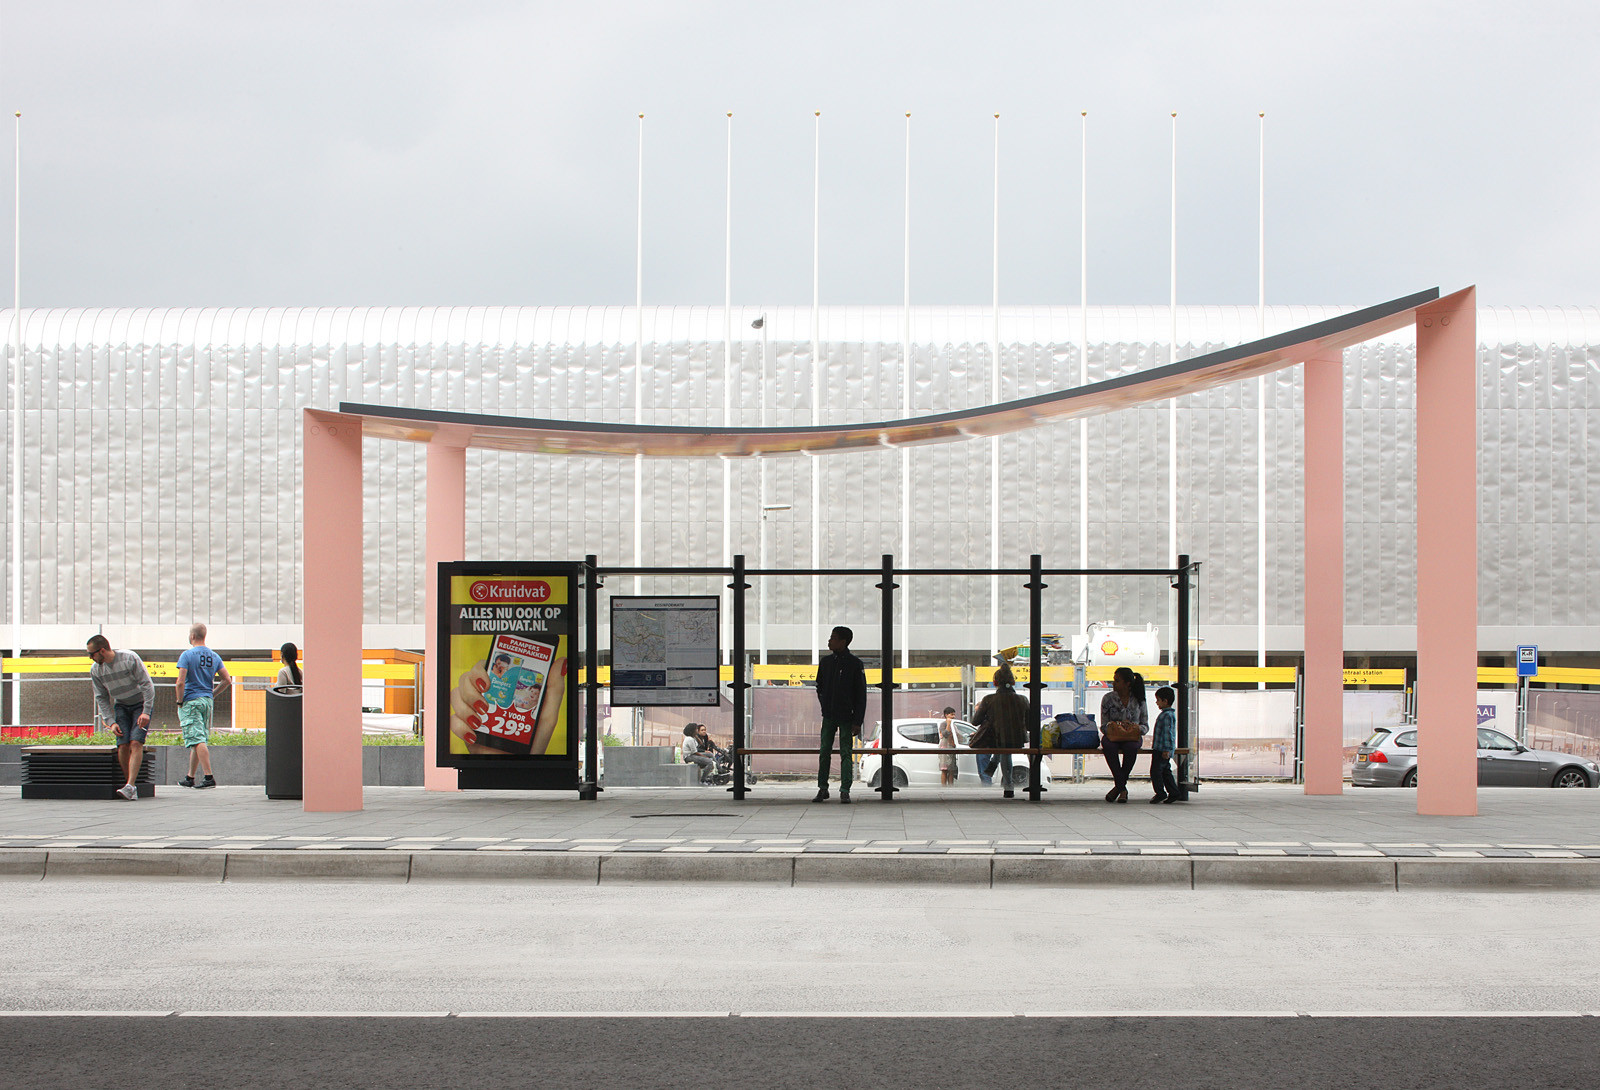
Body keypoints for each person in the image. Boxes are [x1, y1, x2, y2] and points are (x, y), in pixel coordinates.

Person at [86, 635, 156, 801]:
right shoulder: (96, 670)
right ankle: (130, 786)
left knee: (136, 742)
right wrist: (110, 722)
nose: (90, 658)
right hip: (121, 706)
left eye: (91, 654)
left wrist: (146, 711)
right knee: (122, 745)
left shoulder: (129, 658)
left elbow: (147, 685)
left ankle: (130, 785)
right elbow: (101, 697)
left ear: (102, 650)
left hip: (140, 704)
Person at [175, 623, 232, 789]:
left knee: (197, 739)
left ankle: (209, 777)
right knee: (198, 739)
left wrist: (180, 701)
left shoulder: (186, 655)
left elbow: (180, 682)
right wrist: (211, 694)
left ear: (192, 636)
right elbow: (227, 680)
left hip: (191, 701)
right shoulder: (214, 656)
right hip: (207, 701)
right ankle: (190, 777)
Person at [814, 625, 866, 804]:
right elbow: (819, 686)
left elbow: (861, 694)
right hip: (828, 714)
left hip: (846, 716)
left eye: (833, 638)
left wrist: (857, 720)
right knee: (824, 751)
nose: (829, 641)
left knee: (845, 752)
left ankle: (845, 789)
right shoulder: (825, 662)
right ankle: (823, 788)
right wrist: (824, 704)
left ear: (843, 642)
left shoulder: (854, 664)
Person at [971, 665, 1027, 798]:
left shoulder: (989, 700)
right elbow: (1029, 724)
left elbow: (975, 722)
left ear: (995, 683)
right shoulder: (1023, 700)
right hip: (1017, 739)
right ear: (1013, 682)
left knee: (1002, 745)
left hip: (995, 739)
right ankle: (995, 768)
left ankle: (1008, 785)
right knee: (1004, 746)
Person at [1099, 666, 1148, 803]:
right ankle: (1122, 788)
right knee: (1108, 746)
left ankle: (1119, 788)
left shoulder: (1139, 699)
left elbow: (1145, 725)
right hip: (1113, 736)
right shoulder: (1108, 699)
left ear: (1127, 683)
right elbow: (1103, 725)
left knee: (1131, 748)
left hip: (1132, 736)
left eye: (1117, 681)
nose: (1113, 684)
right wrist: (1115, 727)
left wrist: (1134, 728)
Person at [1149, 685, 1180, 803]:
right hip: (1162, 749)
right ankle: (1174, 792)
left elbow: (1168, 733)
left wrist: (1166, 749)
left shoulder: (1166, 715)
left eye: (1158, 700)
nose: (1157, 702)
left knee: (1156, 772)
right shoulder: (1168, 714)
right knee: (1166, 772)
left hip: (1161, 750)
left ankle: (1160, 793)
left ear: (1165, 701)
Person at [937, 706, 959, 786]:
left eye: (954, 715)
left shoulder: (954, 724)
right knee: (945, 769)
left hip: (952, 747)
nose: (953, 716)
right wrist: (948, 724)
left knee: (951, 769)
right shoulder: (943, 724)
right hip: (945, 747)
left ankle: (951, 786)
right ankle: (944, 787)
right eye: (951, 714)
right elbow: (945, 734)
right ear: (946, 715)